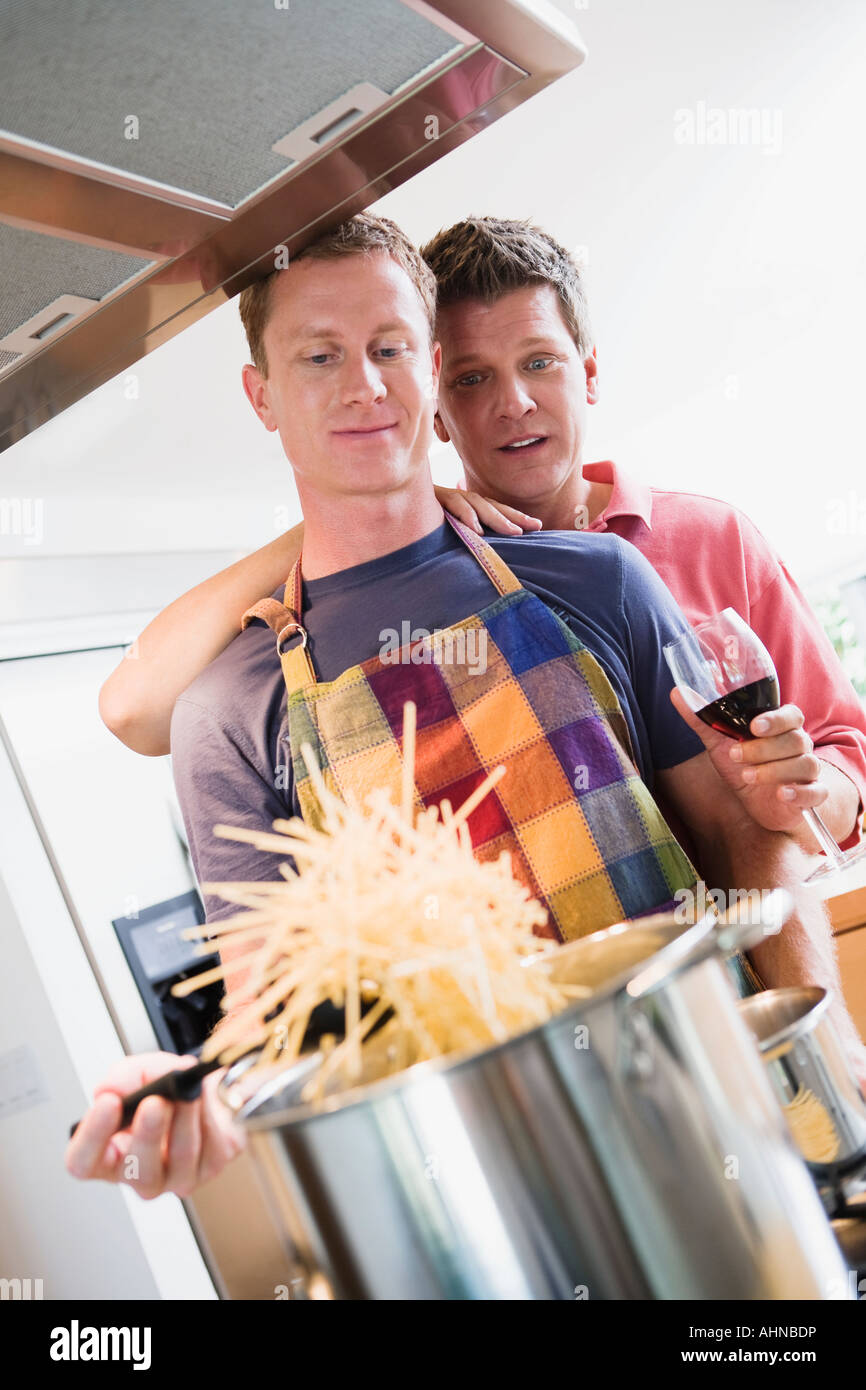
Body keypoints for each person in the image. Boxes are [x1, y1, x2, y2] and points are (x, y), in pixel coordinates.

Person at [68, 214, 864, 1201]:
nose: (363, 385)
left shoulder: (602, 579)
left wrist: (820, 1082)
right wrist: (189, 1101)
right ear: (261, 397)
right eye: (319, 356)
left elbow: (745, 845)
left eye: (389, 348)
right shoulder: (226, 710)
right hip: (482, 1205)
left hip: (719, 1137)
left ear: (424, 365)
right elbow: (276, 1031)